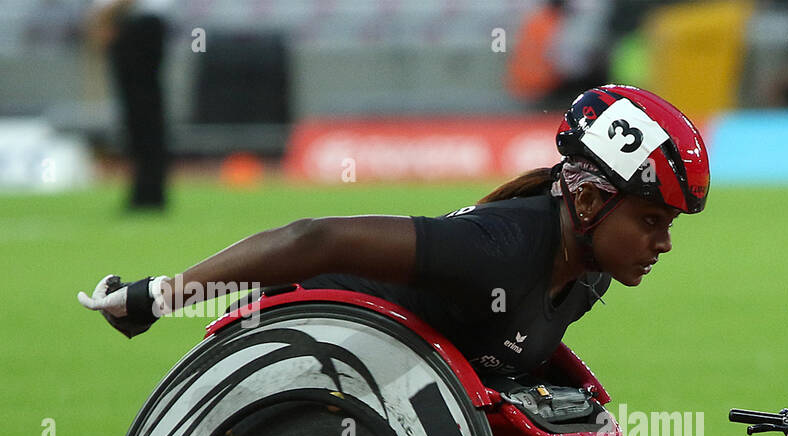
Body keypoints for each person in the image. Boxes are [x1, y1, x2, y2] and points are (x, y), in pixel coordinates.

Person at [77, 86, 709, 379]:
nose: (664, 243)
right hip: (286, 357)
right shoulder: (500, 250)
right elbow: (313, 239)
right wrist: (158, 298)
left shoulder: (589, 272)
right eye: (652, 221)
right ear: (593, 198)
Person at [86, 0, 172, 210]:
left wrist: (105, 17)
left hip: (136, 23)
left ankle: (147, 192)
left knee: (141, 113)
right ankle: (148, 190)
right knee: (142, 114)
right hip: (134, 23)